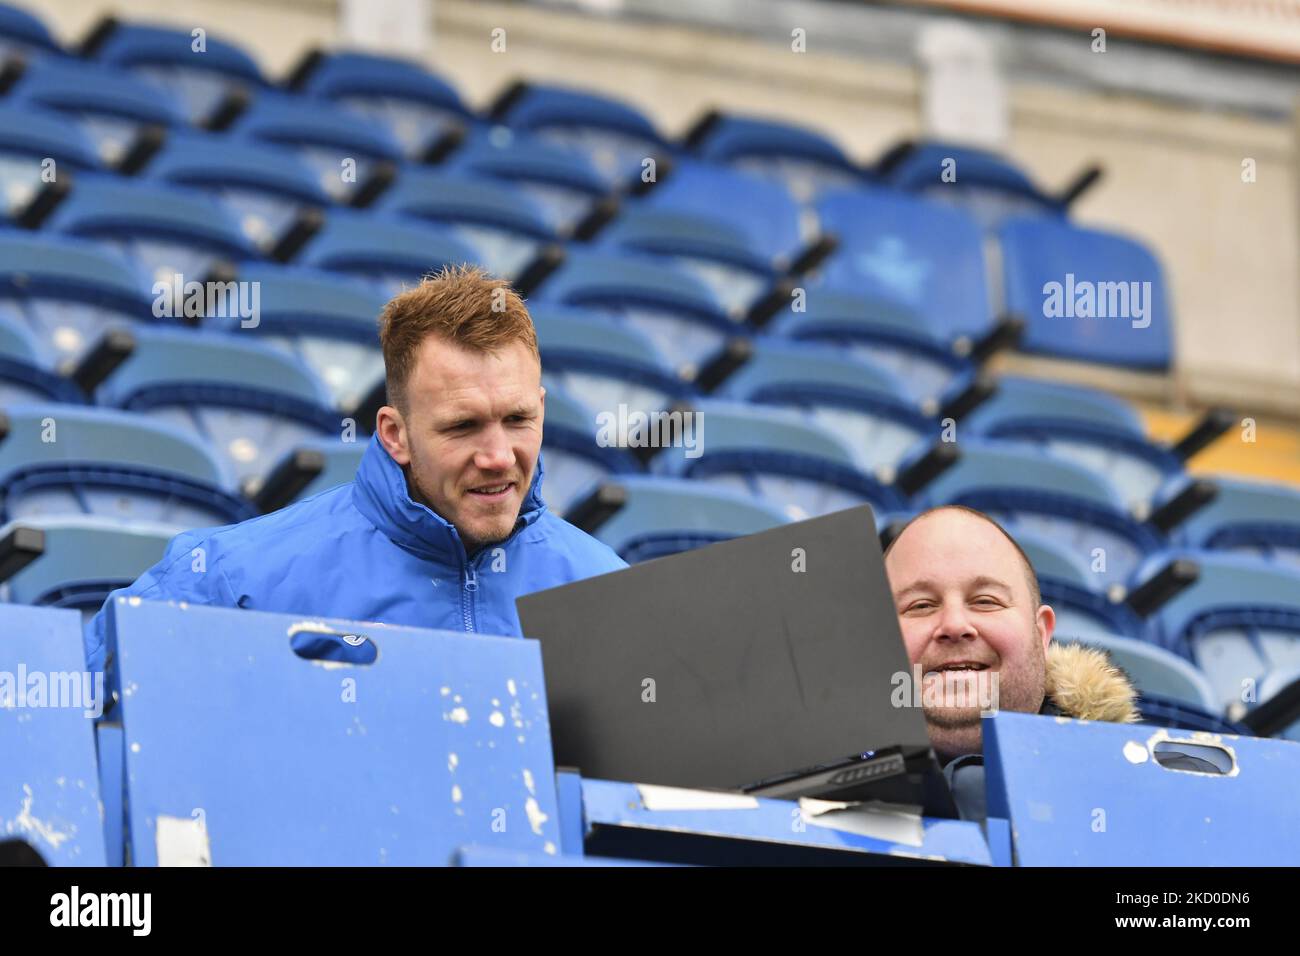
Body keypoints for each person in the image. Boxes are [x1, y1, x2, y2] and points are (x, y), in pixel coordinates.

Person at [84, 265, 626, 675]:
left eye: (517, 419)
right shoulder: (235, 580)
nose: (498, 456)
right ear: (396, 434)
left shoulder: (611, 596)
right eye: (462, 427)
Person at [883, 504, 1139, 822]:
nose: (954, 625)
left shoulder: (1134, 803)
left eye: (985, 601)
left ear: (1042, 633)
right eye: (921, 605)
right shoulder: (805, 792)